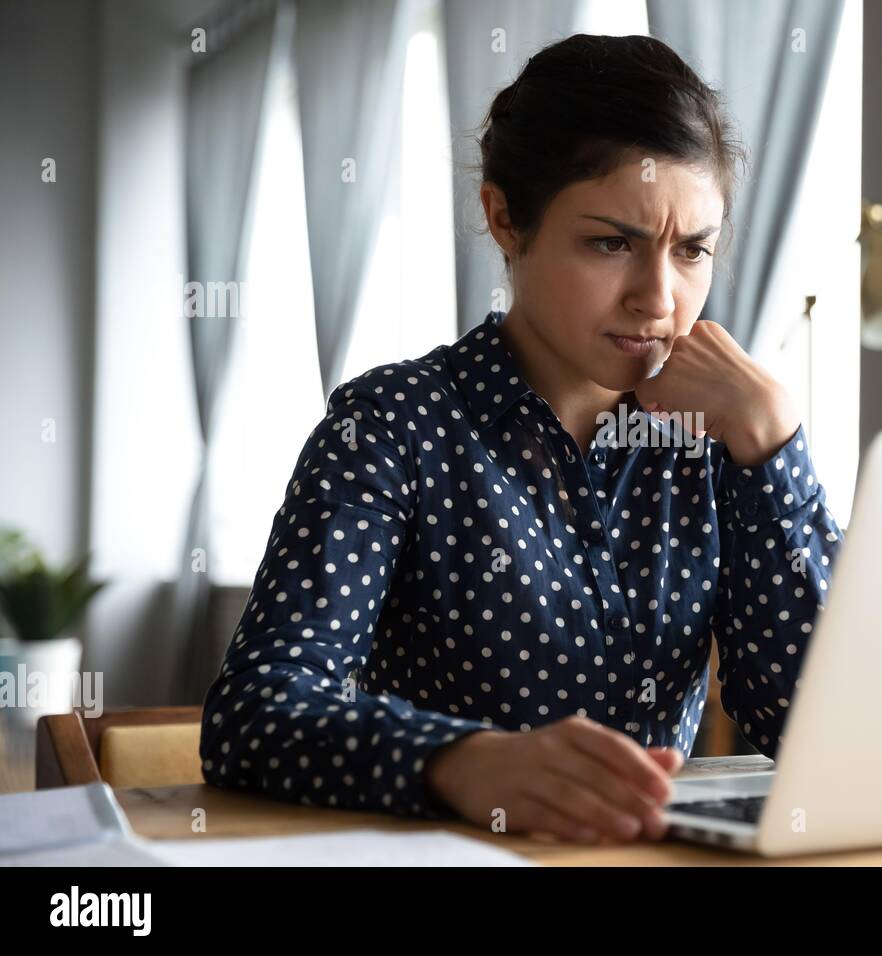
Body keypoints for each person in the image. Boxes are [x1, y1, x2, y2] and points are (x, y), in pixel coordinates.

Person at [199, 32, 843, 845]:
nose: (659, 298)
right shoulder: (392, 425)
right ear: (505, 217)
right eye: (612, 243)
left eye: (692, 251)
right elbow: (258, 710)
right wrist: (463, 761)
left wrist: (773, 445)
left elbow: (819, 730)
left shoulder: (717, 437)